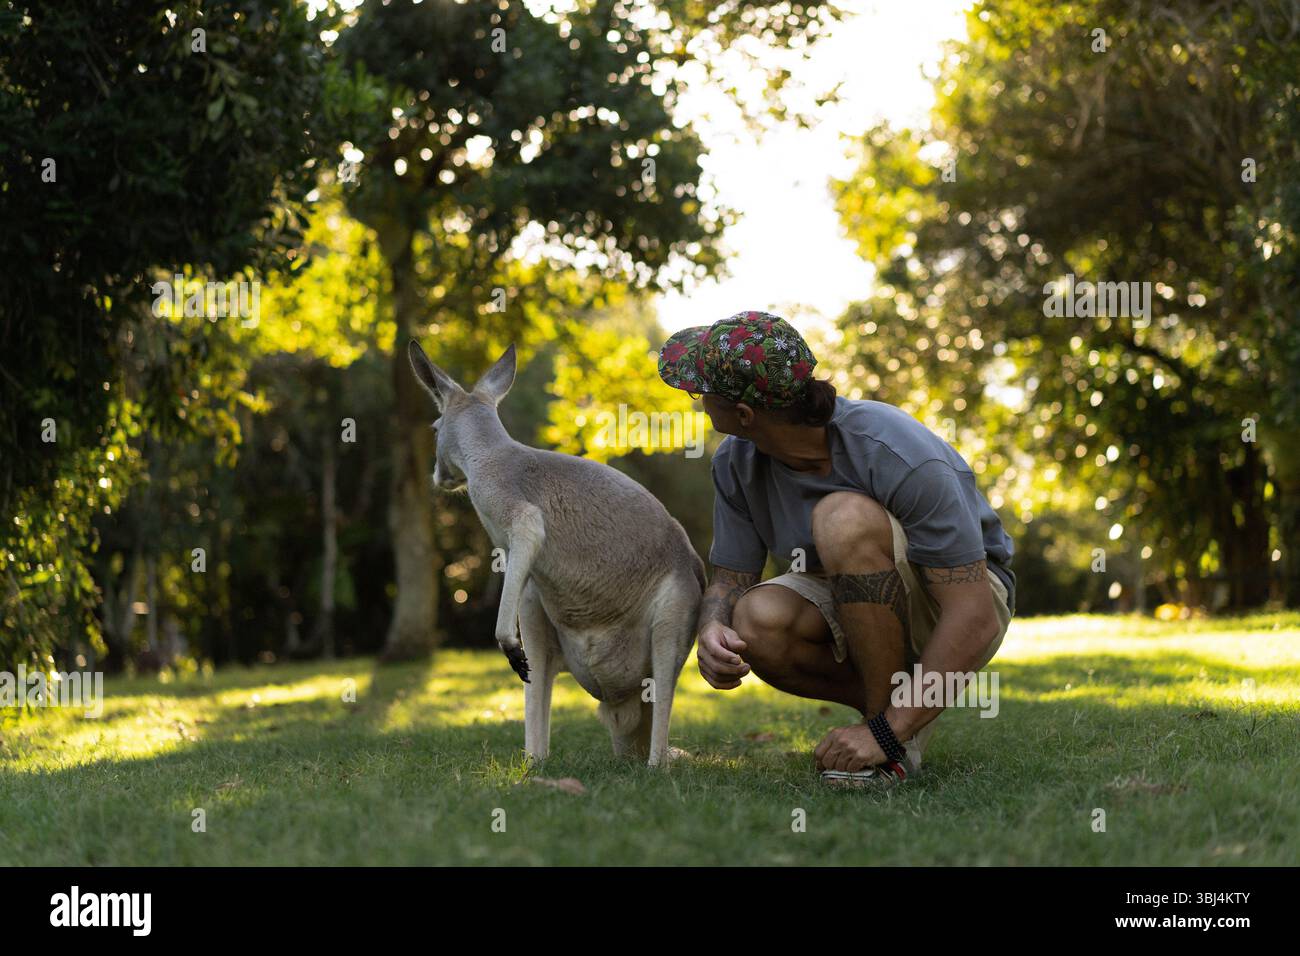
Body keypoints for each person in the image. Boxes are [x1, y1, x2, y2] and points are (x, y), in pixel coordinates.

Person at [657, 310, 1015, 787]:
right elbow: (730, 580)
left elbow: (974, 616)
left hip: (965, 594)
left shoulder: (892, 449)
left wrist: (884, 733)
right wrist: (713, 626)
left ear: (743, 415)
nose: (696, 400)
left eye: (702, 394)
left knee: (841, 517)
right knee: (754, 619)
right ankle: (893, 710)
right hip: (850, 594)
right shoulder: (736, 463)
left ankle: (888, 743)